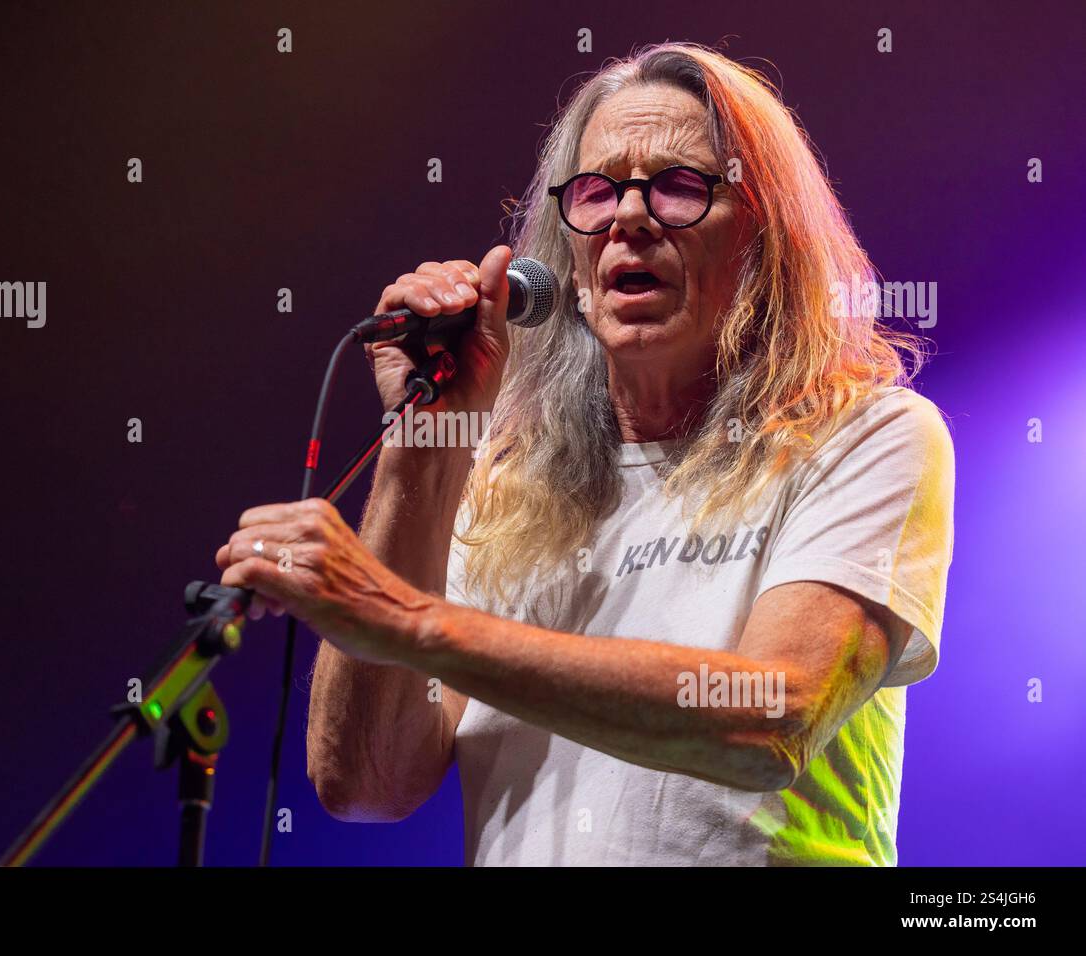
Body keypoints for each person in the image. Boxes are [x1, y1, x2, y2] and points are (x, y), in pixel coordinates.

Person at [213, 41, 955, 866]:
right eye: (597, 192)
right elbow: (366, 784)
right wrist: (426, 441)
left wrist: (405, 618)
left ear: (763, 236)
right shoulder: (505, 490)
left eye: (679, 185)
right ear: (564, 261)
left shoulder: (867, 436)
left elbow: (769, 718)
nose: (627, 218)